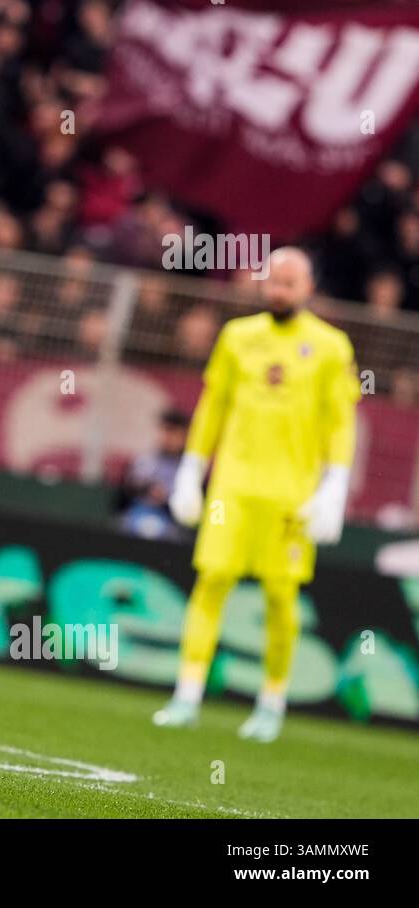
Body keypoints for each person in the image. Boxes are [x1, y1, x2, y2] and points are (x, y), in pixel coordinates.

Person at [155, 247, 360, 742]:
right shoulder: (237, 337)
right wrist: (191, 470)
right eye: (272, 281)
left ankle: (271, 702)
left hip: (292, 492)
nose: (279, 291)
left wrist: (334, 486)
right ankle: (187, 694)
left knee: (280, 596)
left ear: (309, 288)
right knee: (212, 581)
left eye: (289, 283)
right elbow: (213, 406)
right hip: (234, 487)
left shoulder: (331, 347)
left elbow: (340, 421)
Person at [117, 408, 189, 540]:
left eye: (173, 432)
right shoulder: (144, 461)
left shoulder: (189, 469)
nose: (167, 438)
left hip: (171, 522)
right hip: (136, 515)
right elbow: (122, 496)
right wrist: (146, 489)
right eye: (165, 431)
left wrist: (167, 499)